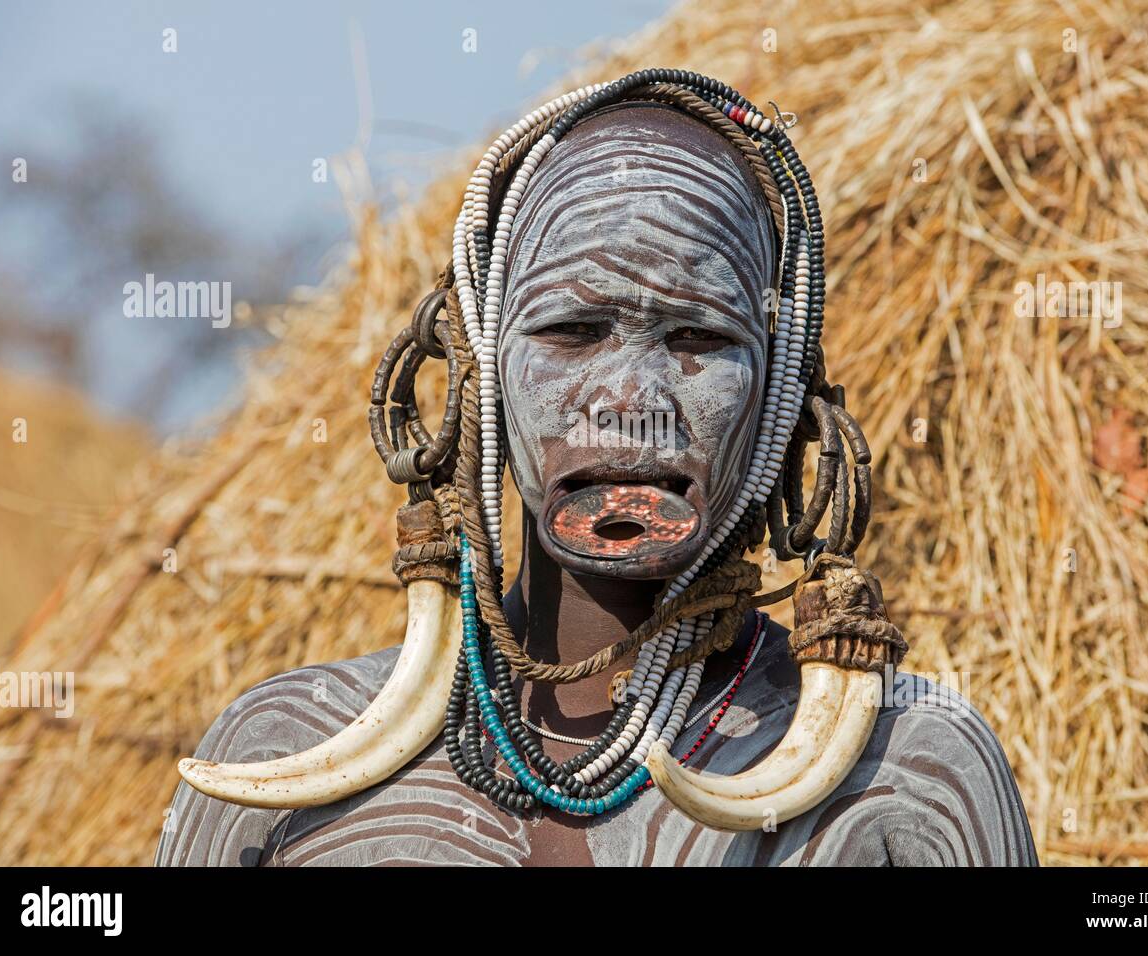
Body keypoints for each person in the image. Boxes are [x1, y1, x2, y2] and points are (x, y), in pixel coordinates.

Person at [158, 69, 1036, 866]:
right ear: (475, 370)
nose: (629, 397)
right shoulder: (281, 751)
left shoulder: (912, 774)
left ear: (782, 392)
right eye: (572, 332)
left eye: (699, 339)